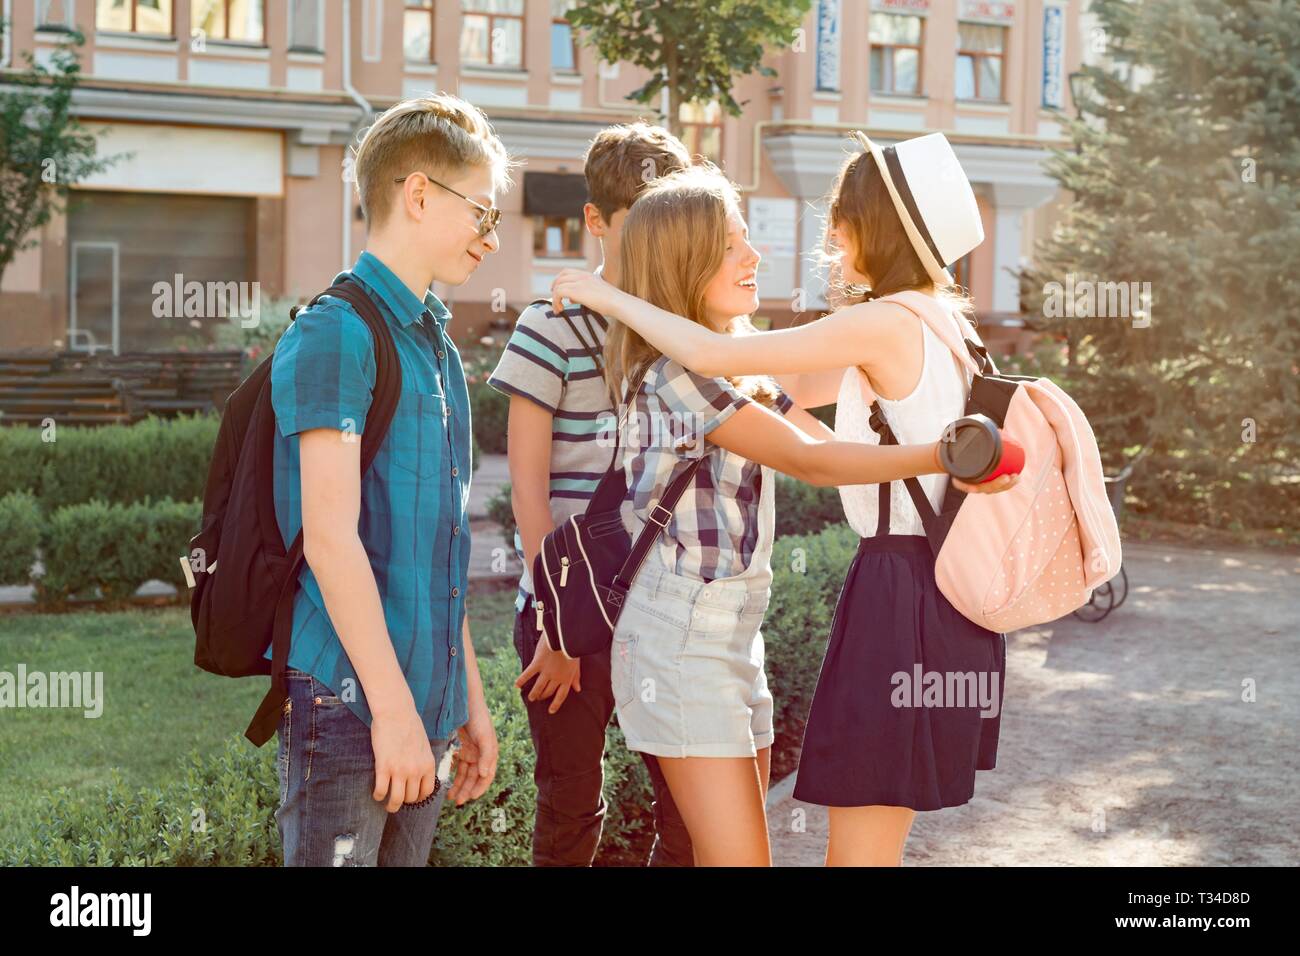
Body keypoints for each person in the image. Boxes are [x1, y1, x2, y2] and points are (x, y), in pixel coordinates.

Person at [550, 163, 1014, 866]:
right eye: (733, 245)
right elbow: (813, 463)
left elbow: (837, 448)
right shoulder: (677, 376)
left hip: (734, 632)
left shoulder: (739, 372)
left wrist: (922, 454)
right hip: (680, 637)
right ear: (685, 261)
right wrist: (944, 456)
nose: (755, 254)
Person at [268, 93, 506, 866]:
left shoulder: (436, 345)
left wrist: (463, 699)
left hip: (420, 705)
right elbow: (331, 543)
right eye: (482, 212)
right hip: (350, 705)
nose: (491, 239)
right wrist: (394, 713)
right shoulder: (337, 332)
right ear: (418, 194)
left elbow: (440, 550)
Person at [486, 123, 696, 866]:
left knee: (689, 818)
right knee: (573, 808)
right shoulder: (549, 327)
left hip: (666, 615)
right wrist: (559, 629)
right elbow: (530, 497)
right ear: (597, 222)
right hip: (567, 611)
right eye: (636, 220)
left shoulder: (690, 337)